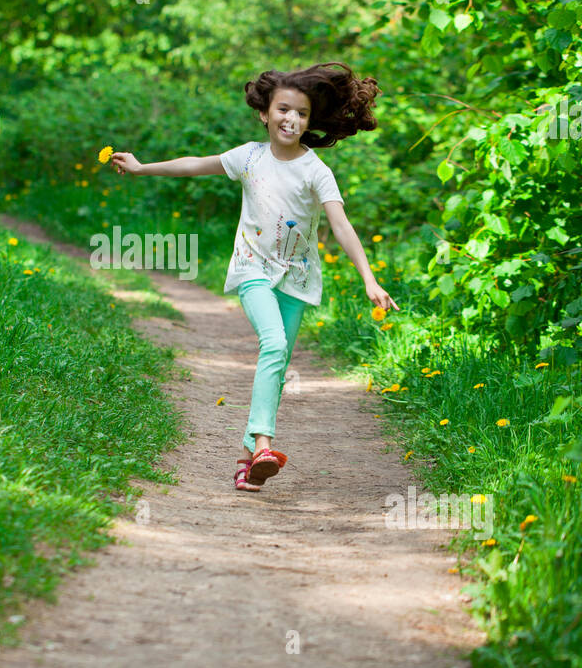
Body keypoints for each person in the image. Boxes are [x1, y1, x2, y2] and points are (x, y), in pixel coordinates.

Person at [109, 61, 399, 493]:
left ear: (309, 121)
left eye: (301, 113)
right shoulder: (248, 157)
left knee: (277, 365)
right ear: (265, 113)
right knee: (274, 344)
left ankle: (248, 462)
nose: (292, 119)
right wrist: (142, 167)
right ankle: (265, 443)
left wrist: (369, 279)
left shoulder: (316, 170)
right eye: (283, 109)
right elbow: (195, 165)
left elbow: (341, 225)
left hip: (297, 279)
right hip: (252, 270)